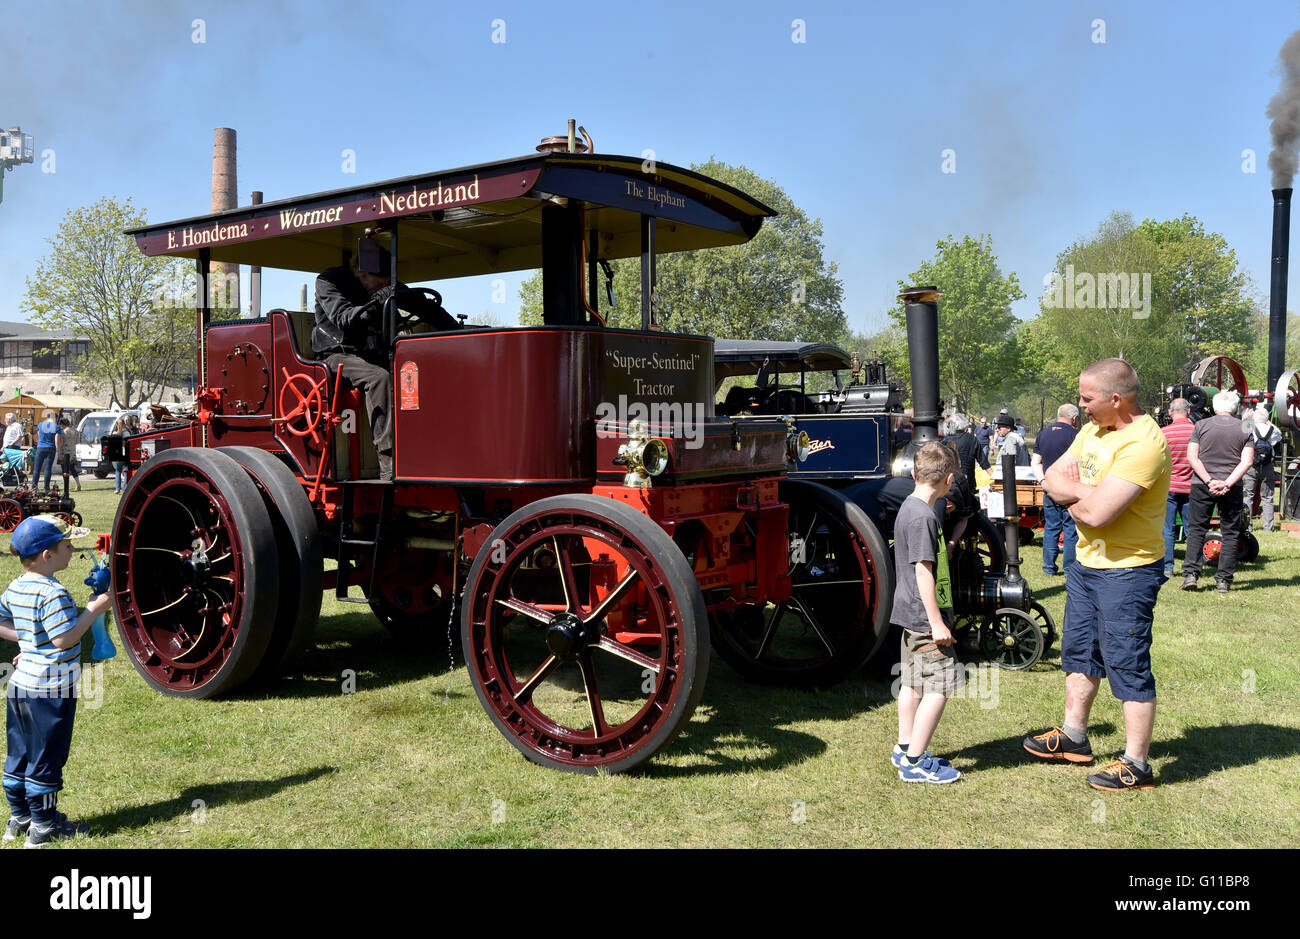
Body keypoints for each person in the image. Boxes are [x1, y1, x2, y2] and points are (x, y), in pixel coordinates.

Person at [1025, 358, 1171, 791]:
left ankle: (1137, 764)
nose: (1081, 407)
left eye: (1087, 399)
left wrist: (1079, 496)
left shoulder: (1143, 444)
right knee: (1080, 653)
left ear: (1116, 398)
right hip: (1086, 564)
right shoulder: (1092, 430)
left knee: (1127, 664)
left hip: (1127, 573)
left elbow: (1098, 514)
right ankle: (1073, 738)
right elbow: (1052, 479)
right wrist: (1085, 496)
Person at [0, 515, 111, 847]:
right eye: (67, 545)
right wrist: (94, 608)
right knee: (46, 757)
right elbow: (64, 638)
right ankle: (44, 828)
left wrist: (30, 644)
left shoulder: (16, 586)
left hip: (19, 687)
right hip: (51, 691)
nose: (73, 548)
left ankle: (19, 818)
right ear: (48, 555)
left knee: (19, 753)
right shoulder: (54, 594)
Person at [312, 242, 459, 481]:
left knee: (420, 371)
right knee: (379, 377)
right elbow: (343, 318)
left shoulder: (382, 286)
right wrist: (376, 302)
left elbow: (425, 307)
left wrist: (457, 330)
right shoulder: (330, 281)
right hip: (338, 354)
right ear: (363, 275)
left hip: (372, 353)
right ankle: (388, 461)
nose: (381, 288)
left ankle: (432, 449)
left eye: (385, 284)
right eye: (378, 284)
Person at [892, 441, 962, 784]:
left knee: (912, 683)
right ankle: (915, 761)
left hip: (910, 615)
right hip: (924, 619)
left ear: (913, 472)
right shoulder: (923, 517)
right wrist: (937, 623)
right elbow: (923, 571)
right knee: (941, 686)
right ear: (948, 479)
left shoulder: (909, 506)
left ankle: (905, 747)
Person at [1181, 391, 1254, 592]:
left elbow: (1192, 458)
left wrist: (1210, 480)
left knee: (1196, 529)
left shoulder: (1200, 425)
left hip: (1201, 484)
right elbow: (1247, 461)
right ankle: (1223, 580)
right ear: (1236, 408)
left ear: (1213, 408)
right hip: (1232, 486)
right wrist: (1227, 483)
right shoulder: (1244, 427)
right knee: (1230, 533)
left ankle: (1190, 575)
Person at [1031, 404, 1080, 576]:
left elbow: (1035, 462)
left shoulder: (1043, 434)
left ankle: (1049, 568)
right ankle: (1069, 569)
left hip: (1050, 488)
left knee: (1051, 527)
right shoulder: (1077, 435)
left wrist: (1043, 481)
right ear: (1074, 418)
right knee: (1070, 529)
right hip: (1070, 489)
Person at [1160, 398, 1194, 577]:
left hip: (1170, 487)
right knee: (1192, 530)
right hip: (1191, 487)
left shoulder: (1164, 433)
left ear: (1171, 412)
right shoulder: (1197, 432)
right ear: (1188, 412)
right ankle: (1191, 568)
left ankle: (1168, 568)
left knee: (1168, 529)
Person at [1242, 409, 1283, 532]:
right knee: (1268, 497)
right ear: (1267, 419)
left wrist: (1246, 419)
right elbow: (1279, 434)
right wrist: (1268, 422)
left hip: (1250, 465)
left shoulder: (1249, 427)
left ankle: (1247, 527)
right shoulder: (1273, 430)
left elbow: (1239, 432)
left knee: (1248, 496)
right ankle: (1268, 528)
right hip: (1267, 466)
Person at [32, 411, 61, 491]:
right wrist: (59, 452)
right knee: (48, 469)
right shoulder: (56, 427)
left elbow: (39, 436)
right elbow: (57, 441)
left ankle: (34, 486)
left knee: (37, 469)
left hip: (41, 447)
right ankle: (46, 487)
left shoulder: (40, 425)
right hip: (51, 448)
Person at [110, 413, 139, 494]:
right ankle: (125, 488)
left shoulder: (114, 433)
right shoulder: (127, 432)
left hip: (117, 453)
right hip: (125, 453)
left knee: (118, 471)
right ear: (124, 423)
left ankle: (117, 488)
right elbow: (130, 442)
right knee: (126, 470)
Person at [54, 417, 81, 492]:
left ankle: (66, 485)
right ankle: (78, 484)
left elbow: (60, 443)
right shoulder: (76, 431)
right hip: (72, 452)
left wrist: (58, 451)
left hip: (64, 453)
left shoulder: (62, 432)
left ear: (62, 424)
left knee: (64, 470)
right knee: (72, 469)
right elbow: (77, 441)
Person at [2, 413, 23, 478]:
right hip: (7, 447)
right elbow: (7, 438)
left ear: (10, 419)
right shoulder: (9, 426)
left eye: (6, 419)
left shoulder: (17, 425)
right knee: (4, 459)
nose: (5, 420)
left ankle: (13, 475)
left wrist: (12, 443)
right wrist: (4, 446)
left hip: (13, 447)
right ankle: (7, 475)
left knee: (12, 462)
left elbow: (20, 435)